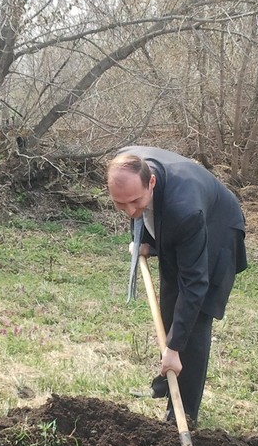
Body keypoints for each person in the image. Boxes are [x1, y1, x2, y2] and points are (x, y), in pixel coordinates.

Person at [106, 147, 247, 424]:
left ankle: (184, 413)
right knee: (170, 306)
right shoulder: (127, 163)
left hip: (218, 228)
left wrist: (174, 348)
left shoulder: (185, 211)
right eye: (120, 204)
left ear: (152, 182)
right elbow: (141, 210)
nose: (130, 211)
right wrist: (148, 242)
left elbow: (195, 285)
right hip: (182, 223)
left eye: (135, 201)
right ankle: (167, 381)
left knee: (195, 321)